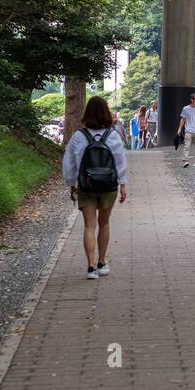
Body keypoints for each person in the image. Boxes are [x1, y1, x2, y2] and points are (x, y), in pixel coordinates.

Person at [62, 96, 128, 280]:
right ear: (106, 113)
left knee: (89, 225)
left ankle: (91, 268)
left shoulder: (78, 137)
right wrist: (123, 184)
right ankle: (102, 262)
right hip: (109, 186)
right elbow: (120, 162)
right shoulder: (113, 136)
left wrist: (72, 184)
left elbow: (70, 164)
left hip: (86, 185)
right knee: (104, 223)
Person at [175, 93, 195, 168]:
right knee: (186, 146)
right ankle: (185, 161)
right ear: (192, 100)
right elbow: (183, 119)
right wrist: (179, 129)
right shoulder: (185, 109)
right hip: (188, 131)